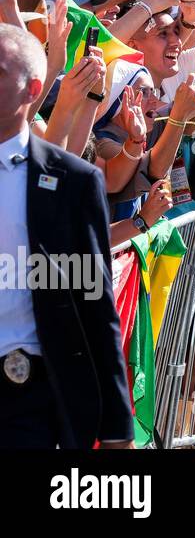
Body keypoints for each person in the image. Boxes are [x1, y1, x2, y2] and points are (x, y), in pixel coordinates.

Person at [0, 25, 134, 448]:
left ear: (31, 90)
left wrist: (116, 429)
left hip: (27, 391)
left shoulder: (71, 180)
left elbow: (95, 304)